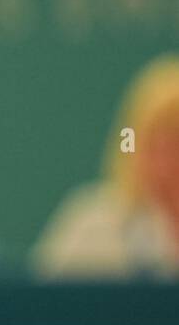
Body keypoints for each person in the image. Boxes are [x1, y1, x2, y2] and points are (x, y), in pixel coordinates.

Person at [31, 55, 179, 279]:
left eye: (176, 147)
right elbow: (38, 305)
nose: (166, 165)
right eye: (155, 148)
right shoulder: (92, 226)